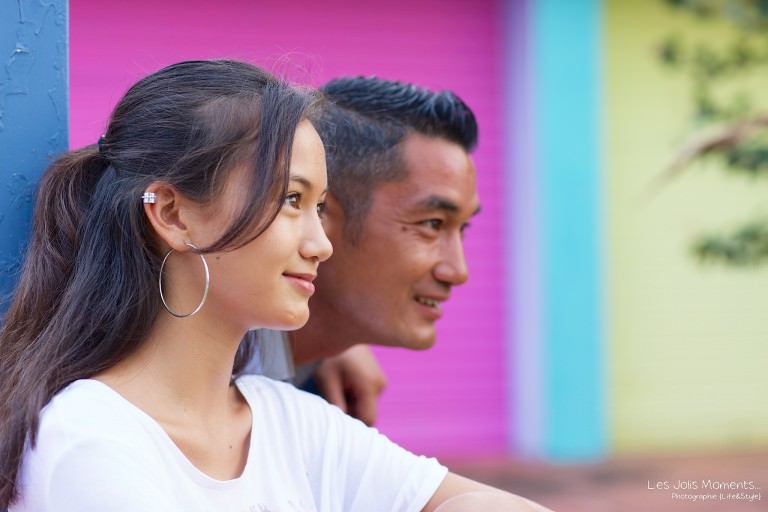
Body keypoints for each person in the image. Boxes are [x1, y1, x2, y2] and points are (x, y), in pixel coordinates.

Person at [0, 59, 549, 511]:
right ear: (173, 213)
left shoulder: (289, 419)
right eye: (292, 200)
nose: (321, 243)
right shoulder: (94, 440)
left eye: (318, 207)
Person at [259, 76, 481, 426]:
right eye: (433, 224)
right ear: (317, 211)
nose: (457, 271)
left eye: (462, 228)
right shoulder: (191, 378)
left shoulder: (324, 393)